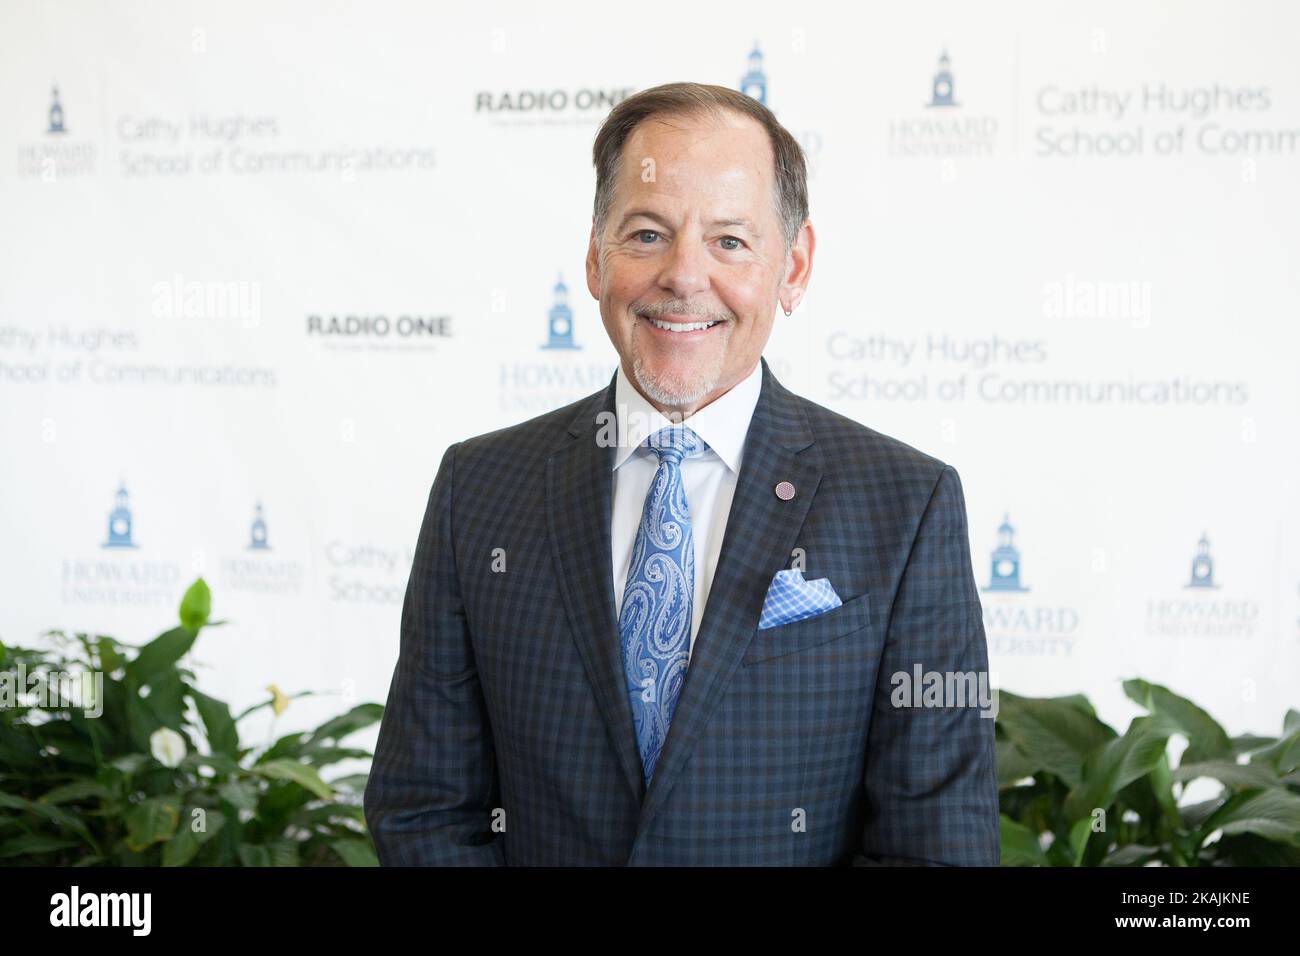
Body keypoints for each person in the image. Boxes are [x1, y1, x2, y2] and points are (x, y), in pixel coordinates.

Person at [363, 82, 999, 865]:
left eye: (730, 241)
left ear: (793, 267)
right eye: (646, 234)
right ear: (595, 257)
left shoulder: (908, 506)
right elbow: (424, 810)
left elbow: (937, 844)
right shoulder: (479, 488)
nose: (684, 277)